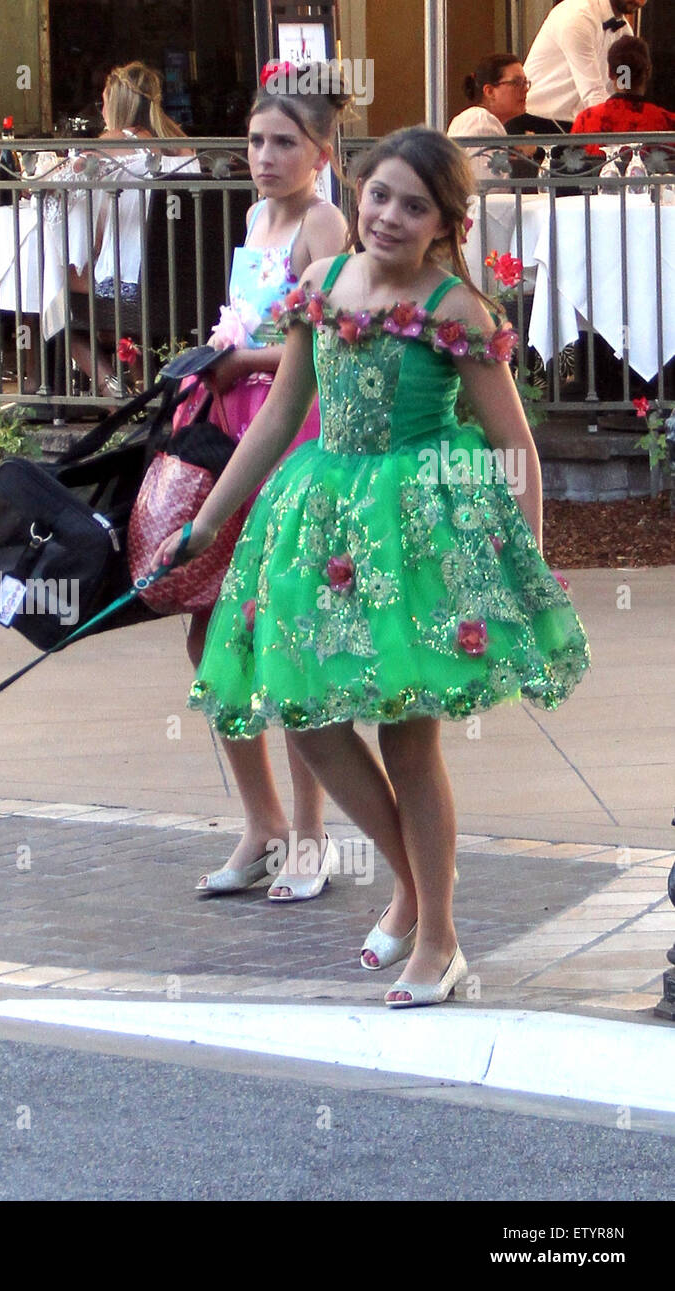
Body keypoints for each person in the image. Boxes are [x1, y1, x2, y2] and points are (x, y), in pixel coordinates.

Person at [157, 127, 590, 1005]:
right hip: (322, 520)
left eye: (415, 205)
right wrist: (204, 526)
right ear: (357, 193)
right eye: (380, 194)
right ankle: (415, 888)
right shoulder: (319, 286)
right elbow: (279, 419)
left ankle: (437, 938)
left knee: (408, 735)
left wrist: (523, 562)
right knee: (306, 715)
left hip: (421, 530)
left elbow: (515, 446)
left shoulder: (456, 310)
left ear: (446, 225)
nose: (390, 215)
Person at [186, 65, 350, 900]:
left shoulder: (326, 225)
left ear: (321, 150)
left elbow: (329, 350)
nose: (265, 155)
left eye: (285, 142)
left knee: (292, 630)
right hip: (233, 429)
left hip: (293, 429)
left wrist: (244, 362)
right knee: (213, 628)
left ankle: (313, 836)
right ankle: (262, 822)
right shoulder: (256, 217)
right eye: (255, 140)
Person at [69, 62, 197, 395]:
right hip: (183, 282)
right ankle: (144, 385)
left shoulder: (113, 143)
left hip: (130, 287)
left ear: (115, 103)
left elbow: (69, 175)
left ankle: (112, 388)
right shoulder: (183, 146)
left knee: (50, 295)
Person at [520, 0, 647, 131]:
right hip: (537, 122)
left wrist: (632, 117)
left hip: (580, 123)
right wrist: (622, 127)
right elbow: (592, 92)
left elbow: (623, 89)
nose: (639, 1)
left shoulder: (625, 32)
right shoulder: (577, 16)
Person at [570, 34, 675, 154]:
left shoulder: (585, 120)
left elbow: (570, 168)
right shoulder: (668, 123)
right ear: (648, 71)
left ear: (610, 72)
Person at [447, 53, 532, 180]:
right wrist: (524, 158)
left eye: (525, 82)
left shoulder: (476, 119)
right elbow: (489, 188)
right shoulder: (481, 121)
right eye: (516, 82)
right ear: (490, 91)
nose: (525, 89)